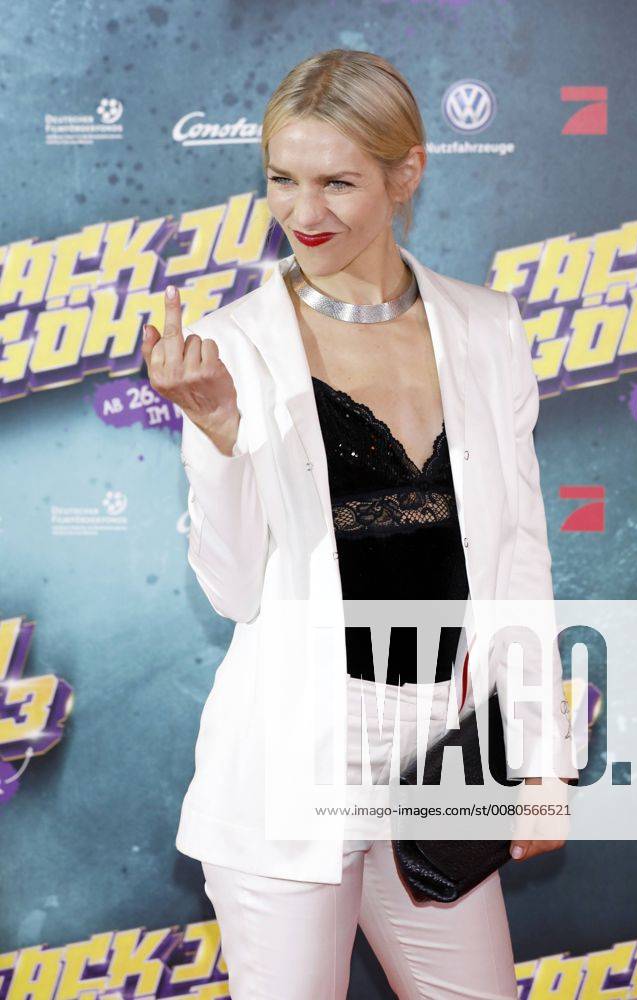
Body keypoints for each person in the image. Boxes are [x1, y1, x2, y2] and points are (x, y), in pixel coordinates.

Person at [143, 49, 577, 1000]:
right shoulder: (235, 345)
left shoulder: (486, 327)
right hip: (293, 764)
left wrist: (541, 752)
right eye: (282, 180)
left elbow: (516, 557)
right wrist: (218, 434)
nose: (304, 213)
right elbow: (232, 589)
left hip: (446, 755)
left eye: (337, 182)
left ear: (405, 172)